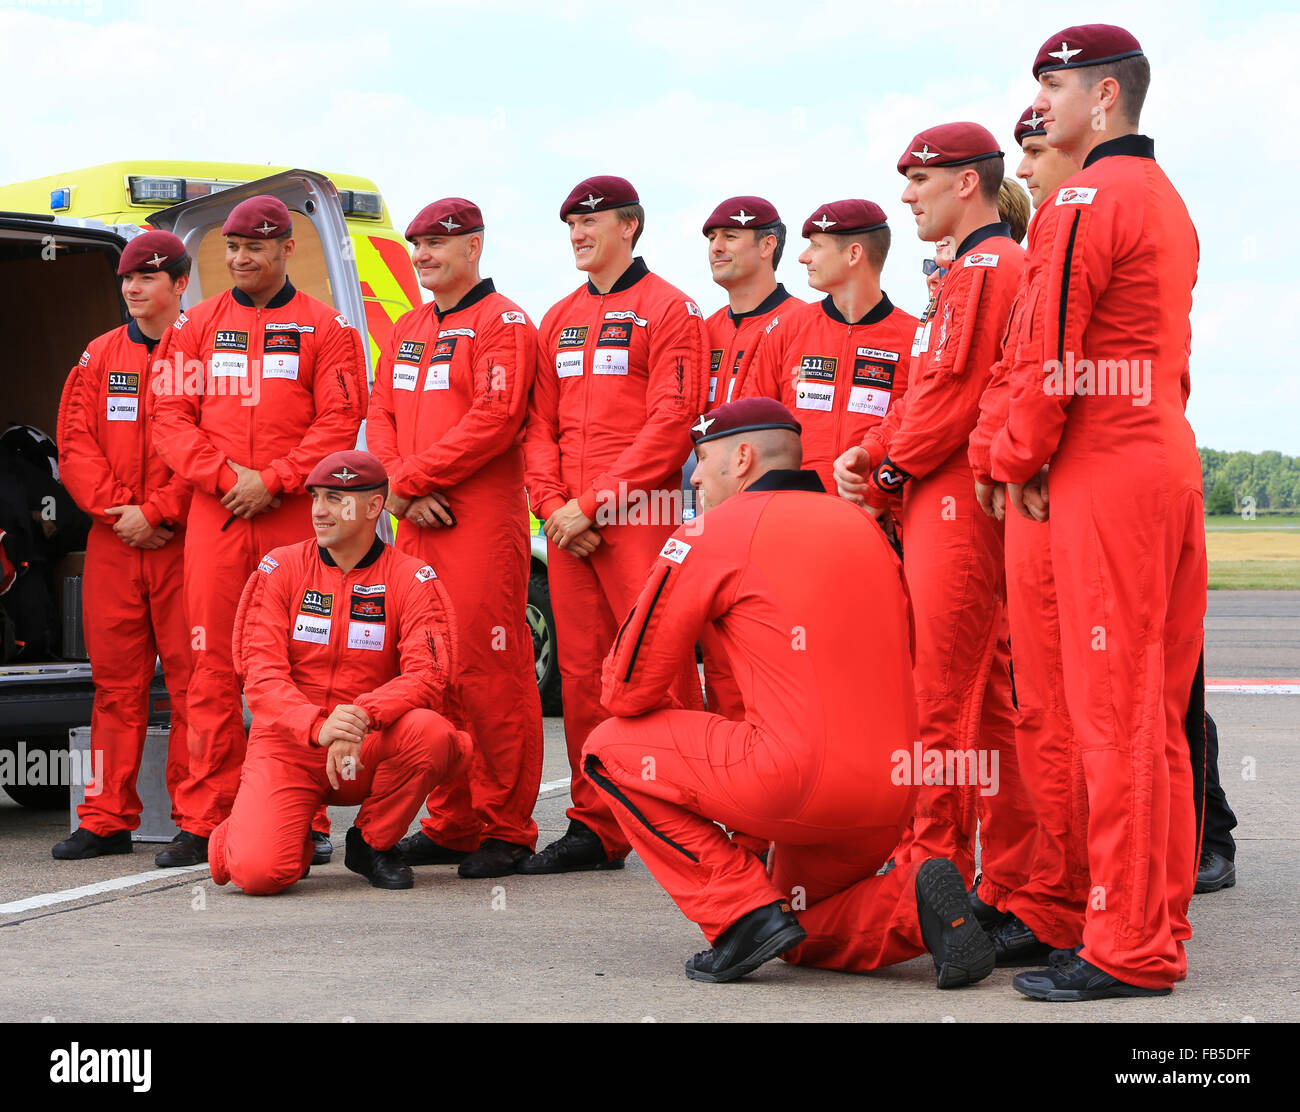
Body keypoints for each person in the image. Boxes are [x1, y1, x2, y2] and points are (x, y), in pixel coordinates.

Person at [582, 397, 996, 987]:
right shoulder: (865, 526)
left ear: (743, 457)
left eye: (702, 460)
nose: (694, 476)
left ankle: (738, 912)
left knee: (606, 747)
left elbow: (627, 689)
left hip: (793, 781)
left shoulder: (711, 531)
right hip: (888, 794)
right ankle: (911, 905)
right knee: (800, 924)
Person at [989, 24, 1205, 1000]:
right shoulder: (1162, 198)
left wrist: (1010, 456)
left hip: (1098, 469)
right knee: (1150, 717)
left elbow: (1050, 354)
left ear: (1104, 99)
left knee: (1109, 716)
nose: (1038, 106)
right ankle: (1138, 919)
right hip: (1156, 456)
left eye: (1051, 86)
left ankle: (1125, 942)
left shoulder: (1080, 198)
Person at [834, 125, 1026, 888]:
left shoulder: (989, 268)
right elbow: (917, 394)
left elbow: (952, 401)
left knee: (946, 697)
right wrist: (872, 451)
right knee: (975, 701)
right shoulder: (965, 274)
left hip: (953, 502)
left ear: (966, 184)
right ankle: (1003, 875)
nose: (908, 196)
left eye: (920, 180)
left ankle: (933, 866)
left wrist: (885, 473)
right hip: (932, 495)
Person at [152, 196, 369, 868]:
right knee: (207, 667)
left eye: (255, 248)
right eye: (232, 249)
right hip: (217, 519)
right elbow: (169, 419)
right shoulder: (194, 328)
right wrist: (224, 479)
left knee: (301, 669)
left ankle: (305, 819)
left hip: (292, 517)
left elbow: (339, 421)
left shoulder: (327, 329)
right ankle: (204, 817)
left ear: (285, 251)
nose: (242, 259)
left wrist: (272, 479)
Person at [520, 175, 709, 874]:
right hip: (568, 524)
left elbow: (671, 426)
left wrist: (592, 505)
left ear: (630, 227)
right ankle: (597, 825)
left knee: (654, 672)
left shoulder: (671, 310)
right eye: (570, 224)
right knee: (581, 676)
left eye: (590, 223)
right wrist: (551, 505)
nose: (577, 235)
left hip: (634, 519)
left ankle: (686, 815)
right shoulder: (559, 316)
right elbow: (537, 426)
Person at [366, 198, 543, 878]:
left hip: (476, 522)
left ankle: (506, 825)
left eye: (439, 244)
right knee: (429, 672)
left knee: (488, 672)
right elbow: (379, 413)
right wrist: (400, 486)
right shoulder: (408, 326)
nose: (424, 256)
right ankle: (453, 822)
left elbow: (496, 417)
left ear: (475, 247)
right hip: (415, 518)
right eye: (416, 246)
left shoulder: (504, 324)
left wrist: (410, 478)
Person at [207, 450, 471, 894]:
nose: (319, 511)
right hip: (291, 744)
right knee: (257, 876)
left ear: (374, 507)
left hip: (366, 742)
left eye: (335, 498)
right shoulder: (282, 568)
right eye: (315, 498)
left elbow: (430, 674)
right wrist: (318, 725)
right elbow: (260, 675)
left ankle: (371, 843)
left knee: (435, 734)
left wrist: (360, 715)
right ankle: (250, 836)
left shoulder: (410, 577)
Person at [964, 107, 1091, 963]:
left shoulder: (1026, 252)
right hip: (1016, 481)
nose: (1030, 164)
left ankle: (1067, 896)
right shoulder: (1030, 246)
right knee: (1026, 708)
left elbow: (1040, 369)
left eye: (1038, 147)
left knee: (1081, 711)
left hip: (1063, 482)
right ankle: (1029, 885)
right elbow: (1005, 375)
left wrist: (1007, 457)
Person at [51, 231, 194, 859]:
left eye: (147, 279)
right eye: (127, 281)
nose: (133, 290)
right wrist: (120, 512)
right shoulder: (97, 356)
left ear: (180, 284)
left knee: (197, 685)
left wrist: (158, 511)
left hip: (184, 542)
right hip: (115, 541)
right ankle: (107, 817)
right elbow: (74, 443)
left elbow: (215, 445)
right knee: (113, 686)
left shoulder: (206, 355)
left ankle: (198, 817)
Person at [740, 200, 916, 497]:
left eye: (816, 246)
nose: (803, 257)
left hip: (879, 518)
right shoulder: (787, 328)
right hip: (796, 513)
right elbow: (752, 426)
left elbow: (918, 431)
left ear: (854, 254)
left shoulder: (915, 338)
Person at [701, 196, 798, 409]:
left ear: (767, 245)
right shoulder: (704, 330)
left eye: (730, 236)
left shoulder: (803, 324)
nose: (716, 247)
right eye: (711, 238)